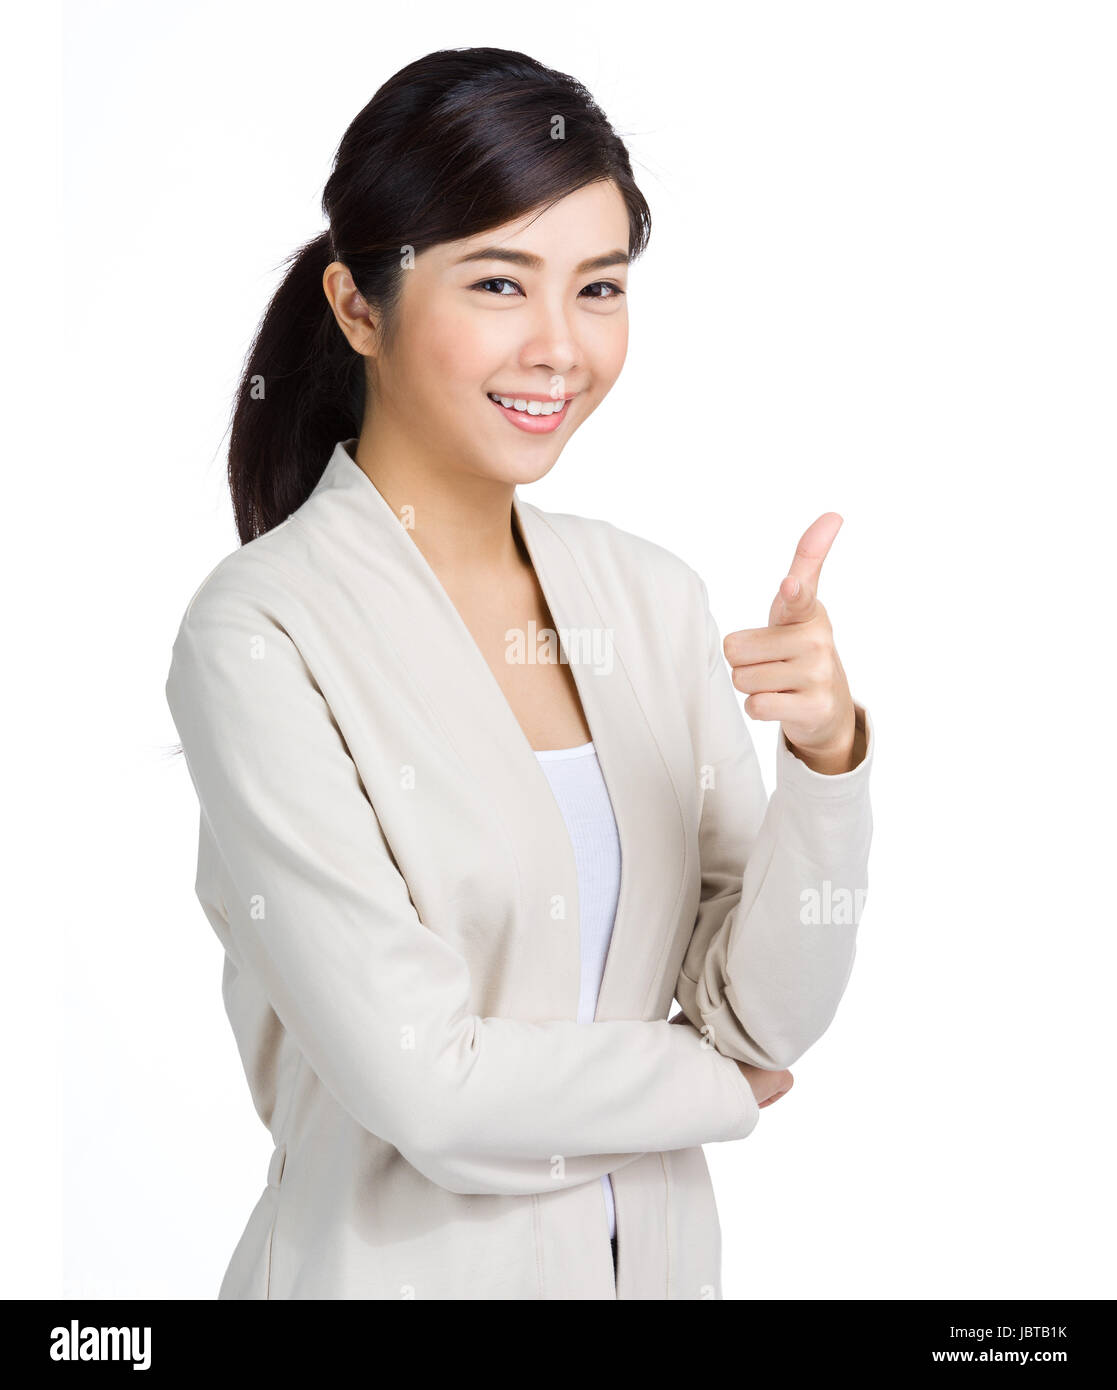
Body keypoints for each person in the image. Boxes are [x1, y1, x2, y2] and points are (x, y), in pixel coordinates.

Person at [165, 46, 874, 1301]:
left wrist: (824, 759)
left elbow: (763, 1016)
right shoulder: (262, 635)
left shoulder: (651, 604)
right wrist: (710, 1091)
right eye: (499, 281)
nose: (559, 346)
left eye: (597, 288)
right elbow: (424, 1084)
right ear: (358, 307)